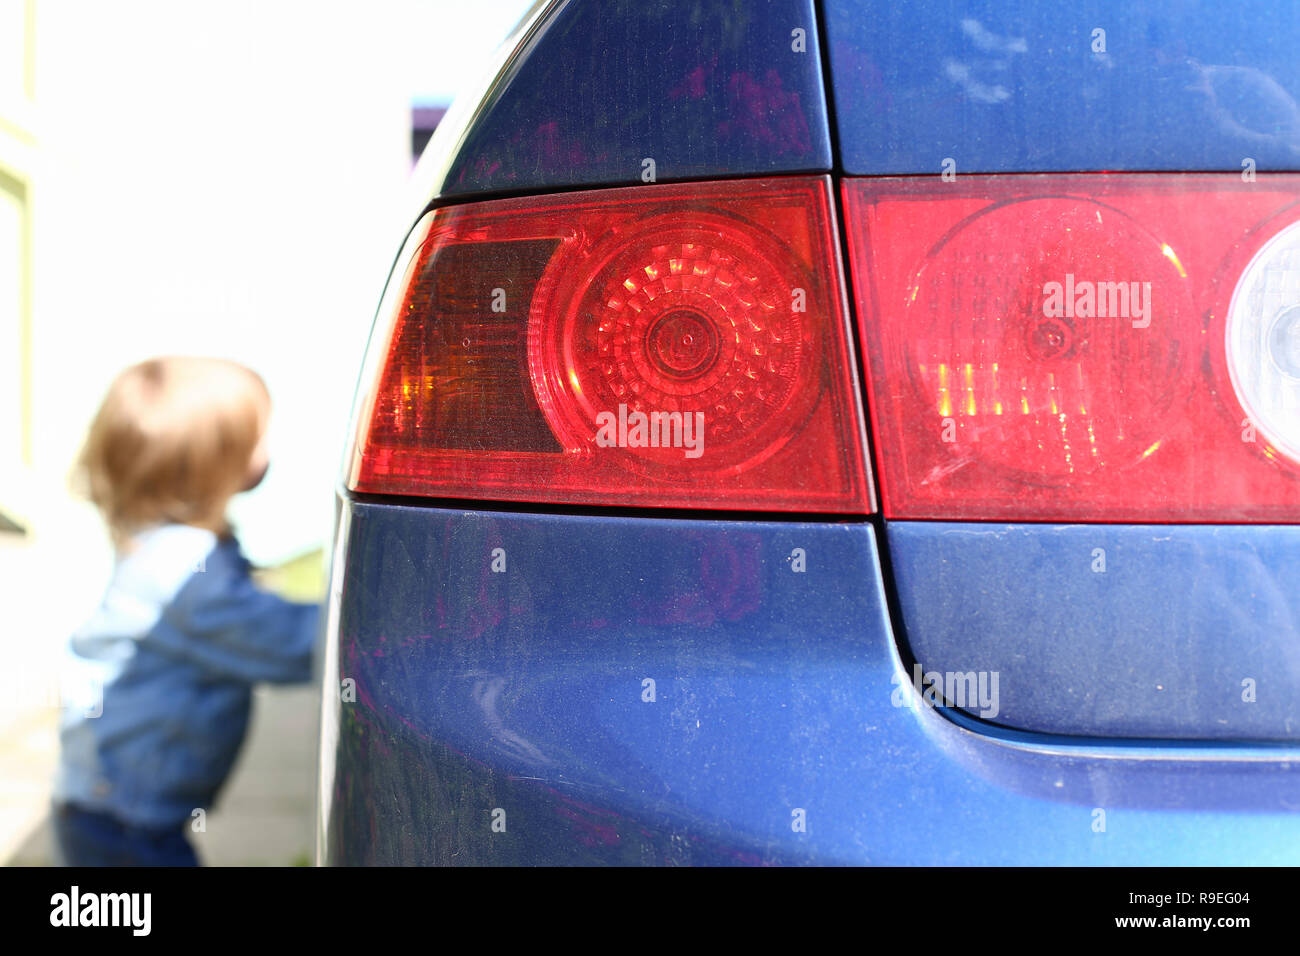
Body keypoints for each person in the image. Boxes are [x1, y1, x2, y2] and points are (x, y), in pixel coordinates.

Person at [52, 356, 320, 866]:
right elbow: (292, 643)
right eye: (258, 437)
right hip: (126, 825)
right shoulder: (182, 574)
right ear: (216, 463)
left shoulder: (165, 548)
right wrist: (381, 619)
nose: (268, 449)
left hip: (108, 807)